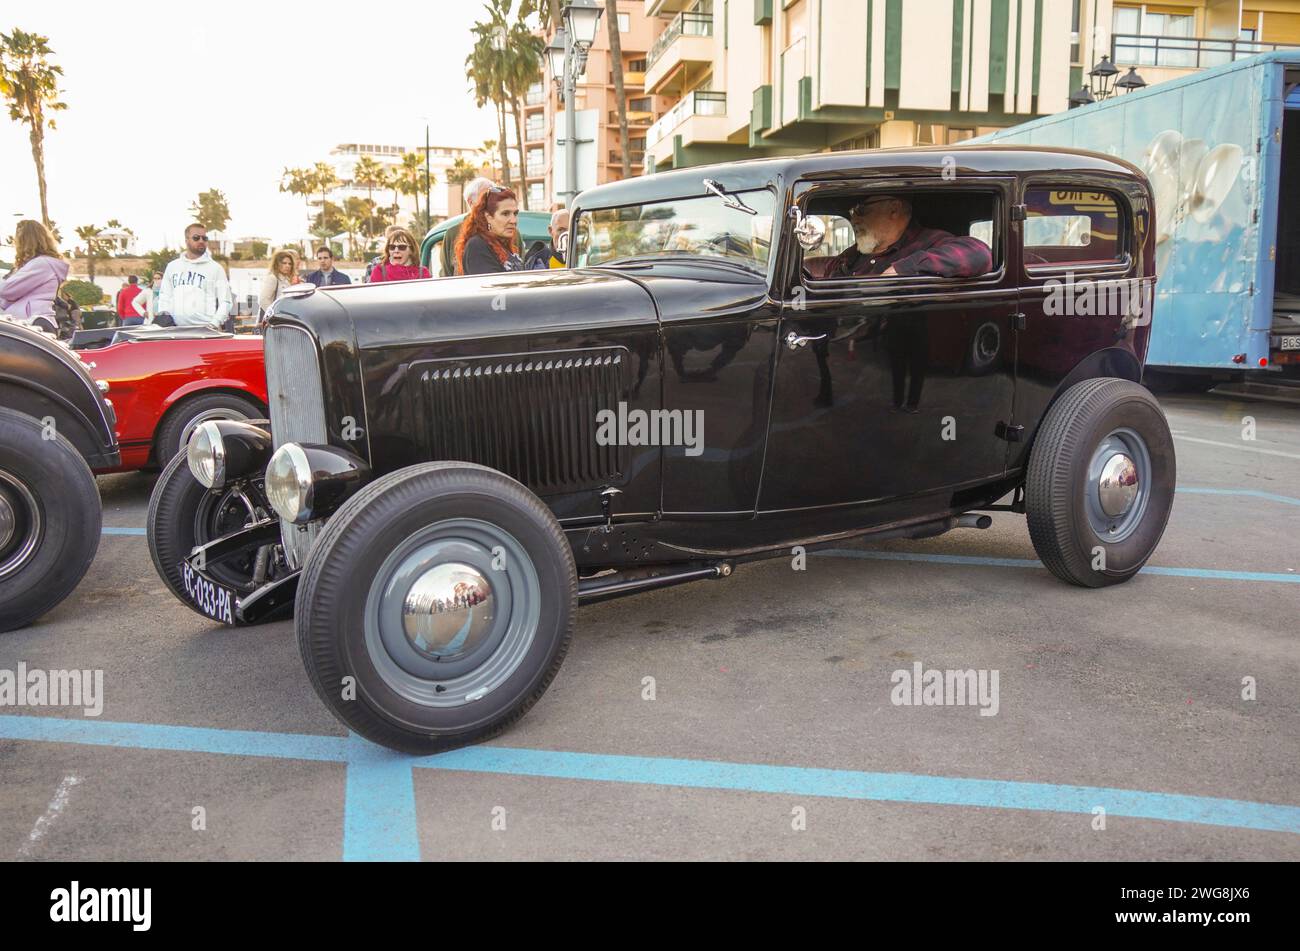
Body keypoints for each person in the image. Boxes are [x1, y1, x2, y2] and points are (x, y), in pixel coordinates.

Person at [822, 196, 992, 279]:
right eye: (852, 213)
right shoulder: (854, 254)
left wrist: (903, 269)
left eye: (860, 209)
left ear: (894, 209)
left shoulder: (927, 242)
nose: (854, 219)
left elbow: (978, 253)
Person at [156, 223, 232, 330]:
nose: (201, 241)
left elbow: (226, 301)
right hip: (174, 330)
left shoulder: (216, 268)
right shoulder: (172, 266)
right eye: (196, 238)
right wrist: (164, 317)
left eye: (204, 238)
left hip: (205, 330)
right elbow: (165, 296)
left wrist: (214, 323)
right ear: (186, 240)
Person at [0, 219, 69, 333]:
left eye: (18, 239)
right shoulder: (39, 264)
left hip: (32, 323)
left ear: (27, 240)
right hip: (31, 324)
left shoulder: (42, 264)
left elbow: (7, 290)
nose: (16, 244)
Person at [455, 186, 524, 275]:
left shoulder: (502, 243)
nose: (514, 220)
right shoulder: (477, 246)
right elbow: (494, 287)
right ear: (488, 217)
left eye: (515, 214)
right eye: (505, 214)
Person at [259, 248, 303, 317]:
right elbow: (263, 300)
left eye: (290, 264)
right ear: (277, 264)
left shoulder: (287, 279)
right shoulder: (272, 278)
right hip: (274, 320)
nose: (287, 266)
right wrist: (274, 315)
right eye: (284, 263)